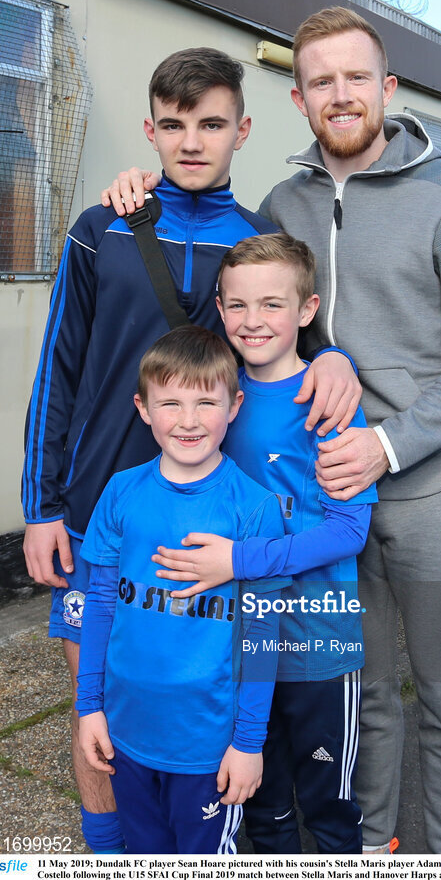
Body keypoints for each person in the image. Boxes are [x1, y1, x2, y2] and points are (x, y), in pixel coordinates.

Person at [101, 6, 441, 853]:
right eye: (320, 80)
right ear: (297, 99)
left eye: (354, 77)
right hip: (317, 500)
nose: (339, 94)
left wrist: (389, 440)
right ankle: (363, 851)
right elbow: (252, 299)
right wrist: (135, 192)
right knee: (358, 698)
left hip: (428, 491)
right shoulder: (279, 203)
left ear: (386, 88)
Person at [21, 47, 357, 853]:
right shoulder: (102, 229)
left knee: (211, 692)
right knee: (95, 695)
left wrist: (334, 353)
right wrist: (40, 507)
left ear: (242, 129)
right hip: (101, 506)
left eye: (210, 124)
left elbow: (280, 336)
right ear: (150, 130)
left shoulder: (257, 242)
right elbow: (56, 370)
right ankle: (112, 852)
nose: (192, 142)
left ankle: (202, 843)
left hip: (215, 512)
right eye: (173, 126)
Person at [159, 233, 376, 852]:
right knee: (262, 806)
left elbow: (348, 531)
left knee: (330, 810)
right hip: (235, 648)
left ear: (307, 311)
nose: (253, 321)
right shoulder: (214, 402)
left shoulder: (330, 400)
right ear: (219, 309)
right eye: (238, 306)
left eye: (272, 305)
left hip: (316, 647)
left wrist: (239, 560)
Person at [76, 326, 285, 853]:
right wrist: (89, 708)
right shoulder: (121, 493)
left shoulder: (253, 508)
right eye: (170, 402)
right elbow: (100, 607)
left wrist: (248, 742)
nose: (188, 421)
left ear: (234, 405)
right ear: (142, 408)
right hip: (126, 731)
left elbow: (263, 636)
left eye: (205, 402)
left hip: (207, 746)